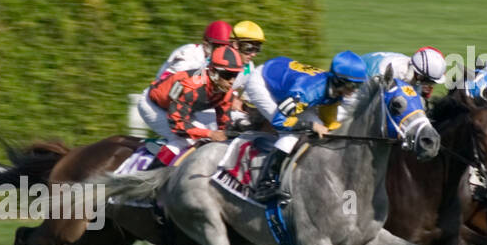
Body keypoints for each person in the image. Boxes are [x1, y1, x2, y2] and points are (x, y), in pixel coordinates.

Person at [252, 50, 368, 204]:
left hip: (285, 80)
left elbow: (329, 113)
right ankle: (265, 184)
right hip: (262, 83)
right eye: (352, 85)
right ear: (338, 81)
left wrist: (337, 130)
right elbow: (280, 121)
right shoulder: (306, 91)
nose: (355, 90)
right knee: (290, 137)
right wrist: (311, 125)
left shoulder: (336, 89)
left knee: (322, 130)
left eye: (359, 85)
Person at [137, 45, 245, 164]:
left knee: (208, 133)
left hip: (180, 108)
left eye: (235, 75)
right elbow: (177, 125)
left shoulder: (225, 91)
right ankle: (150, 176)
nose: (232, 81)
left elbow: (224, 124)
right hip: (153, 105)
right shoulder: (191, 86)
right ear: (213, 71)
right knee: (181, 141)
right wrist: (210, 134)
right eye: (227, 75)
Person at [362, 46, 446, 100]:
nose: (431, 86)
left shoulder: (414, 69)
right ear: (420, 76)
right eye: (429, 82)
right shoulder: (397, 74)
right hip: (366, 77)